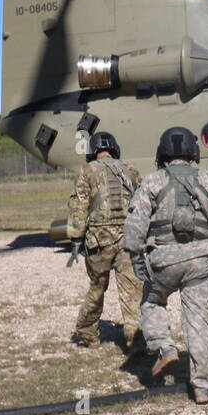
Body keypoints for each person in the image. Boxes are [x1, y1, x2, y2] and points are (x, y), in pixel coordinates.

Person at [123, 127, 208, 405]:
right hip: (200, 261)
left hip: (164, 261)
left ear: (163, 152)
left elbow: (134, 231)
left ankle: (164, 346)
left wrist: (139, 262)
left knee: (152, 303)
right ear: (193, 152)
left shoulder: (152, 182)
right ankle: (201, 386)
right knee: (197, 320)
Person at [67, 131, 142, 349]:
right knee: (132, 290)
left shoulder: (87, 171)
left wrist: (76, 238)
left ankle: (87, 333)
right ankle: (135, 338)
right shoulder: (130, 170)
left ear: (93, 151)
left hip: (98, 241)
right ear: (115, 148)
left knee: (97, 287)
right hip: (128, 238)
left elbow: (79, 206)